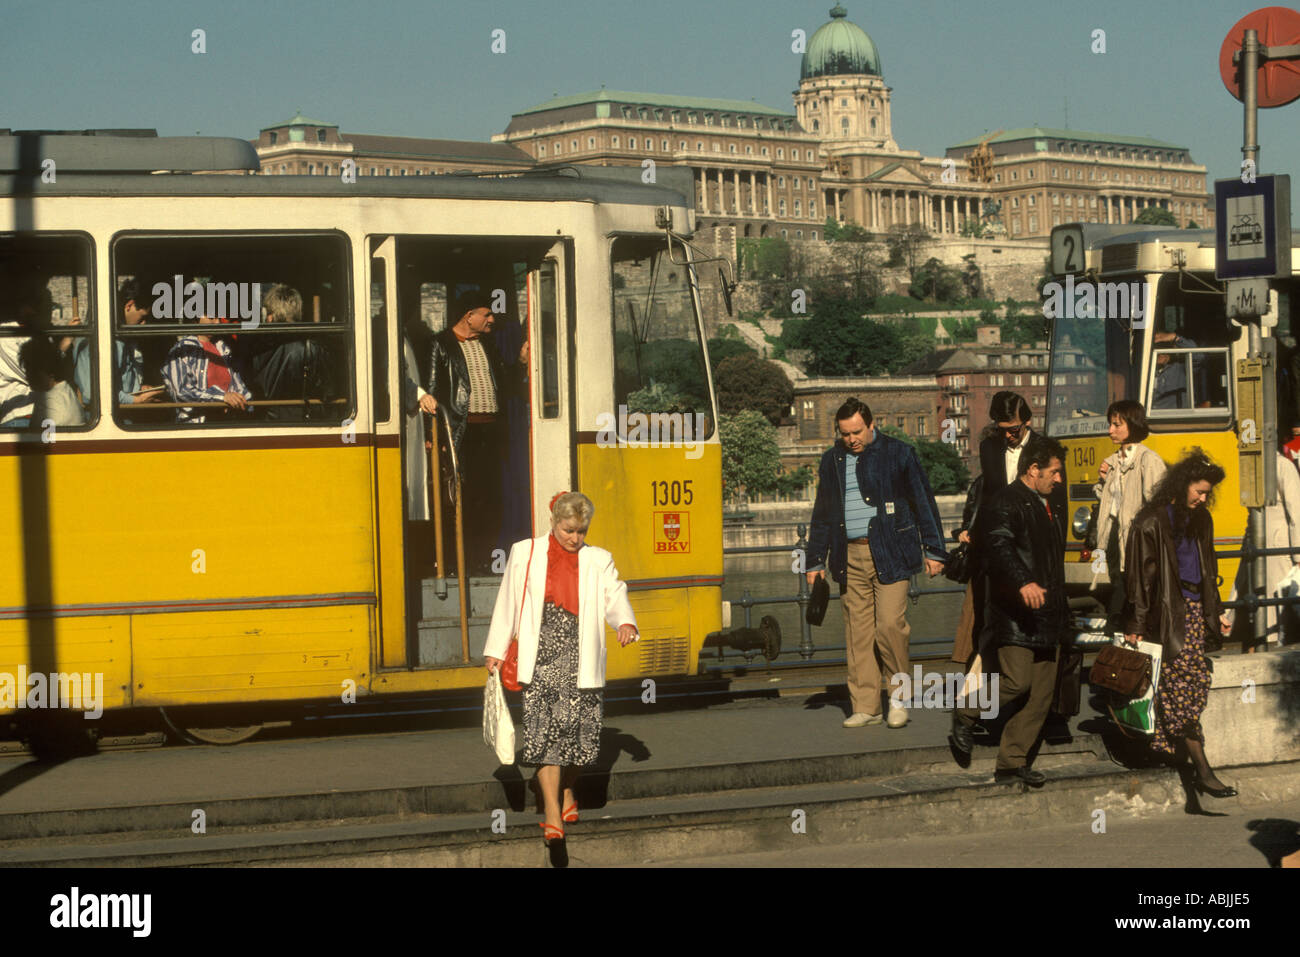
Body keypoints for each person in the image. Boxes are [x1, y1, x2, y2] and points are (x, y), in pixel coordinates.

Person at [483, 492, 638, 868]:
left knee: (581, 737)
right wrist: (496, 648)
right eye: (569, 530)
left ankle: (568, 789)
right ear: (554, 522)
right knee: (545, 737)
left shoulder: (598, 559)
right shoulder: (525, 552)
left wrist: (626, 621)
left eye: (581, 531)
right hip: (541, 657)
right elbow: (508, 601)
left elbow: (614, 592)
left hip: (581, 656)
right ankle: (552, 814)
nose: (575, 538)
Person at [805, 397, 947, 730]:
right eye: (844, 434)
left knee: (889, 625)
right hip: (848, 554)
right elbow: (822, 513)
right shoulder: (831, 461)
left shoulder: (900, 454)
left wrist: (934, 550)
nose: (851, 439)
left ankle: (898, 699)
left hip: (892, 550)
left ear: (872, 425)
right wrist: (814, 561)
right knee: (858, 633)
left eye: (856, 432)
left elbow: (923, 501)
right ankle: (866, 706)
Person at [951, 434, 1069, 787]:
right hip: (1016, 614)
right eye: (1055, 472)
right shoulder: (1005, 502)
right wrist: (1023, 583)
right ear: (1033, 470)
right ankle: (966, 710)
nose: (1059, 479)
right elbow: (999, 547)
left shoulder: (1049, 501)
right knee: (1017, 682)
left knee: (1042, 695)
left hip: (1047, 613)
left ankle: (1011, 763)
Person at [1122, 449, 1237, 797]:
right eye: (1198, 491)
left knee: (1188, 686)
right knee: (1181, 690)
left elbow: (1208, 570)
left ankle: (1176, 754)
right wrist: (1136, 624)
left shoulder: (1202, 520)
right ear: (1182, 484)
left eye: (1207, 493)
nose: (1203, 498)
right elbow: (1140, 581)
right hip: (1168, 616)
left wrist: (1215, 611)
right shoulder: (1151, 522)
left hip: (1194, 610)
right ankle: (1202, 770)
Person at [952, 392, 1066, 670]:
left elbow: (1060, 504)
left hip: (1034, 543)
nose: (1008, 436)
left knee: (1037, 615)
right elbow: (989, 497)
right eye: (1001, 430)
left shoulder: (1045, 448)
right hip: (998, 544)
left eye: (1013, 430)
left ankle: (1034, 681)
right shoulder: (990, 447)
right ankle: (993, 677)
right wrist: (971, 530)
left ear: (1027, 421)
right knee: (991, 615)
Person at [426, 290, 529, 572]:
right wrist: (433, 436)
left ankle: (483, 558)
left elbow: (505, 383)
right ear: (468, 316)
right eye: (486, 314)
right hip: (461, 433)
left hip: (491, 433)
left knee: (490, 497)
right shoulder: (441, 344)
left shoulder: (489, 344)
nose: (492, 319)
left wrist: (520, 362)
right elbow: (432, 391)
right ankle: (458, 561)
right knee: (462, 498)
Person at [1091, 400, 1166, 616]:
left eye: (1116, 425)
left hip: (1137, 541)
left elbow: (1156, 504)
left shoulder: (1148, 460)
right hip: (1115, 539)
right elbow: (1113, 503)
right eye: (1110, 424)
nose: (1110, 430)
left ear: (1132, 424)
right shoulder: (1113, 461)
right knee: (1119, 592)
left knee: (1130, 601)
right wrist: (1104, 482)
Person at [1225, 448, 1300, 646]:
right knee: (1275, 598)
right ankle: (1275, 641)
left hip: (1258, 536)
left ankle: (1261, 637)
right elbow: (1297, 511)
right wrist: (1298, 554)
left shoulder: (1253, 463)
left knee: (1263, 594)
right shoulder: (1284, 466)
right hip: (1278, 540)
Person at [242, 284, 333, 421]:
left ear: (270, 316)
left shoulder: (256, 347)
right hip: (303, 419)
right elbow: (327, 393)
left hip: (264, 420)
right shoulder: (312, 347)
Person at [161, 314, 252, 423]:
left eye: (219, 318)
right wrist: (222, 397)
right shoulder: (182, 350)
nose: (217, 323)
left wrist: (244, 402)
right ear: (195, 320)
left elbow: (238, 385)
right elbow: (182, 392)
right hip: (197, 426)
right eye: (212, 318)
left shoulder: (223, 349)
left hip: (228, 422)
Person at [19, 335, 84, 428]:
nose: (27, 377)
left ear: (50, 372)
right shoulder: (55, 391)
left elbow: (42, 441)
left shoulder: (54, 411)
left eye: (32, 372)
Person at [1152, 331, 1197, 409]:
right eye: (1156, 347)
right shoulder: (1145, 370)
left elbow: (1199, 356)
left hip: (1176, 416)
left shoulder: (1181, 368)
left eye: (1163, 348)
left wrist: (1175, 338)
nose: (1159, 353)